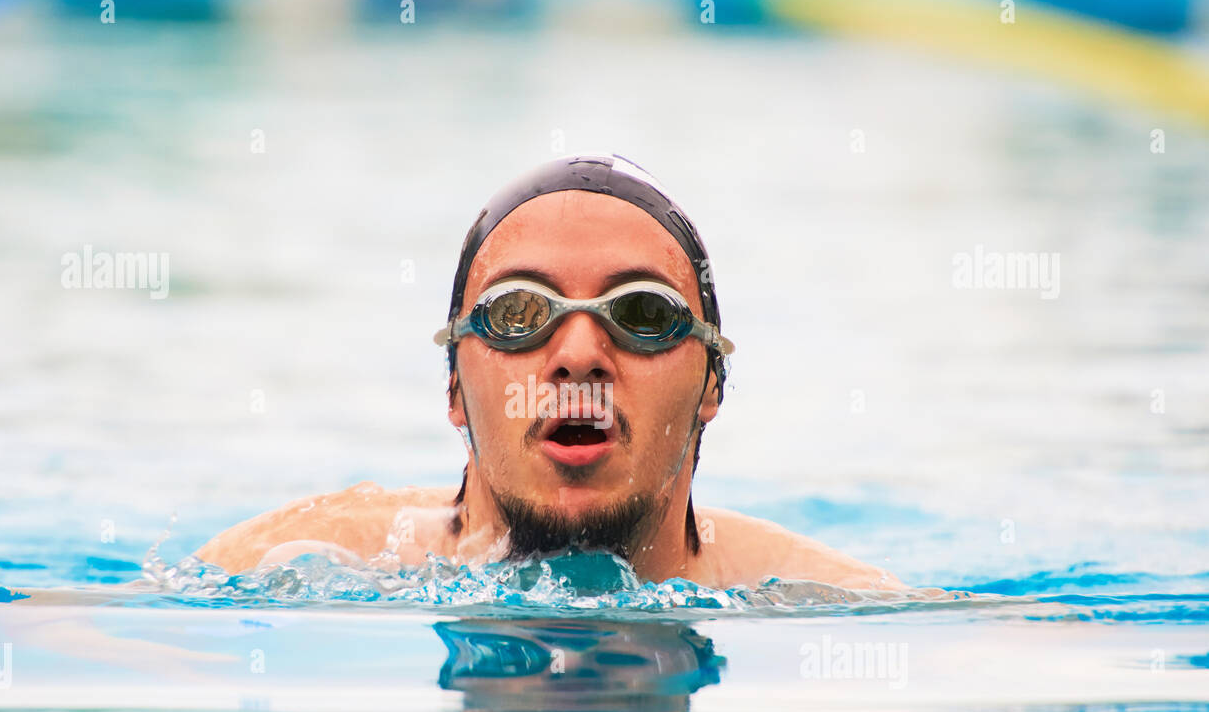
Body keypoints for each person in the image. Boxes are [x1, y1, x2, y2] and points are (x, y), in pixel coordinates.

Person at [197, 153, 907, 591]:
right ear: (453, 387)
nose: (577, 353)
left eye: (642, 313)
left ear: (712, 385)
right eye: (517, 312)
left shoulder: (823, 595)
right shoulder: (283, 566)